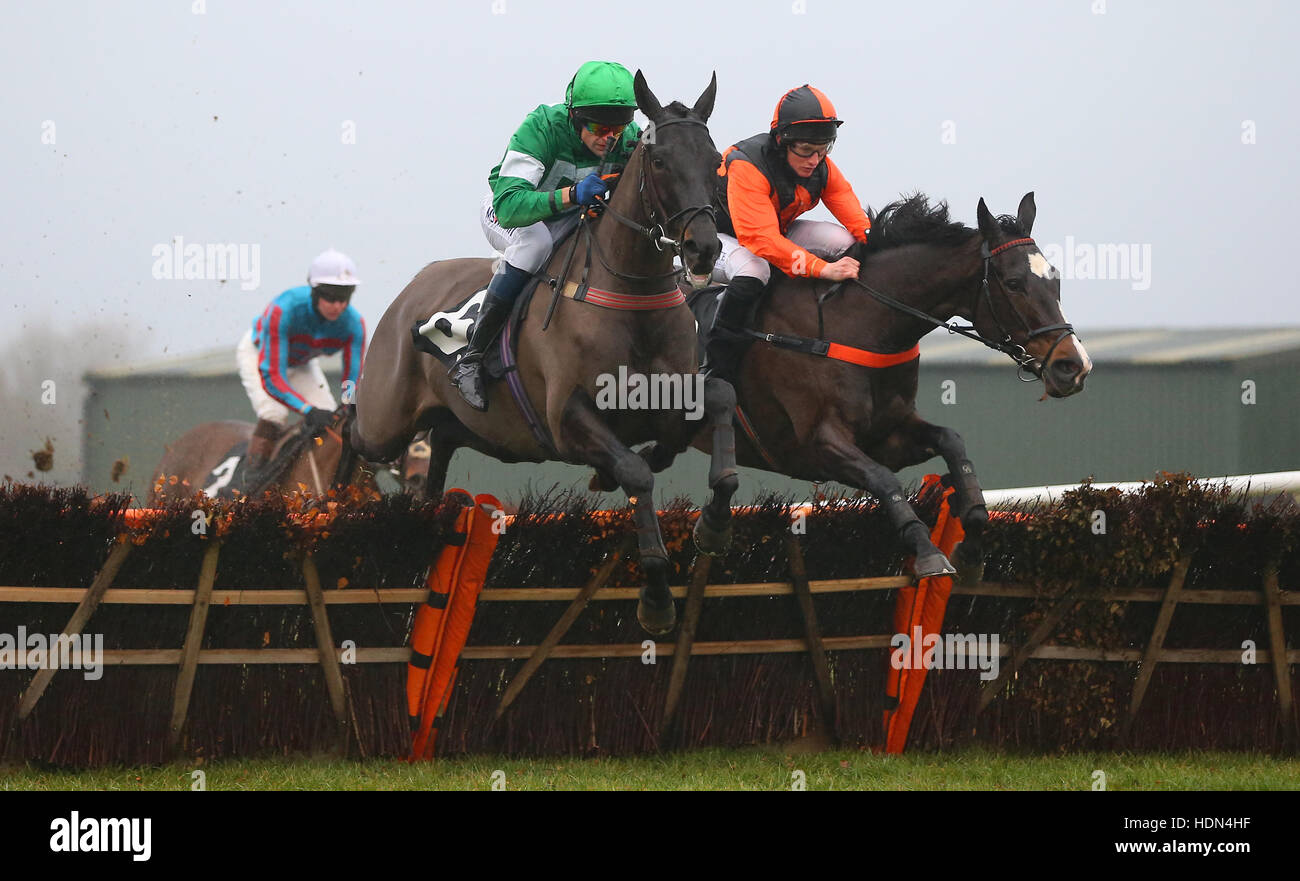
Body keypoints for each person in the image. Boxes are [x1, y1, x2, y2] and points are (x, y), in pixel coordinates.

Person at [449, 60, 643, 411]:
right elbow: (510, 205)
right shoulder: (540, 128)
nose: (610, 138)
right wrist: (571, 195)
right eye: (600, 127)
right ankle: (472, 357)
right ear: (575, 117)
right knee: (535, 244)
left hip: (572, 218)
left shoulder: (626, 138)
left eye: (620, 126)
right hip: (510, 211)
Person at [704, 84, 871, 387]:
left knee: (844, 244)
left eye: (823, 150)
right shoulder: (746, 164)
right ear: (781, 141)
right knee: (755, 269)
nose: (814, 160)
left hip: (772, 232)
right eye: (806, 150)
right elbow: (761, 241)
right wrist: (823, 268)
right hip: (718, 238)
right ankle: (718, 365)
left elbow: (858, 223)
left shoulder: (822, 166)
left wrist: (879, 245)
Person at [236, 249, 365, 480]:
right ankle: (249, 479)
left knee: (332, 419)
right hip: (260, 355)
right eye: (331, 296)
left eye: (344, 296)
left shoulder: (354, 324)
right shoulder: (283, 310)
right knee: (274, 413)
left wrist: (350, 405)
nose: (338, 305)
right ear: (314, 292)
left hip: (302, 363)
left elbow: (351, 379)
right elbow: (272, 377)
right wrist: (307, 410)